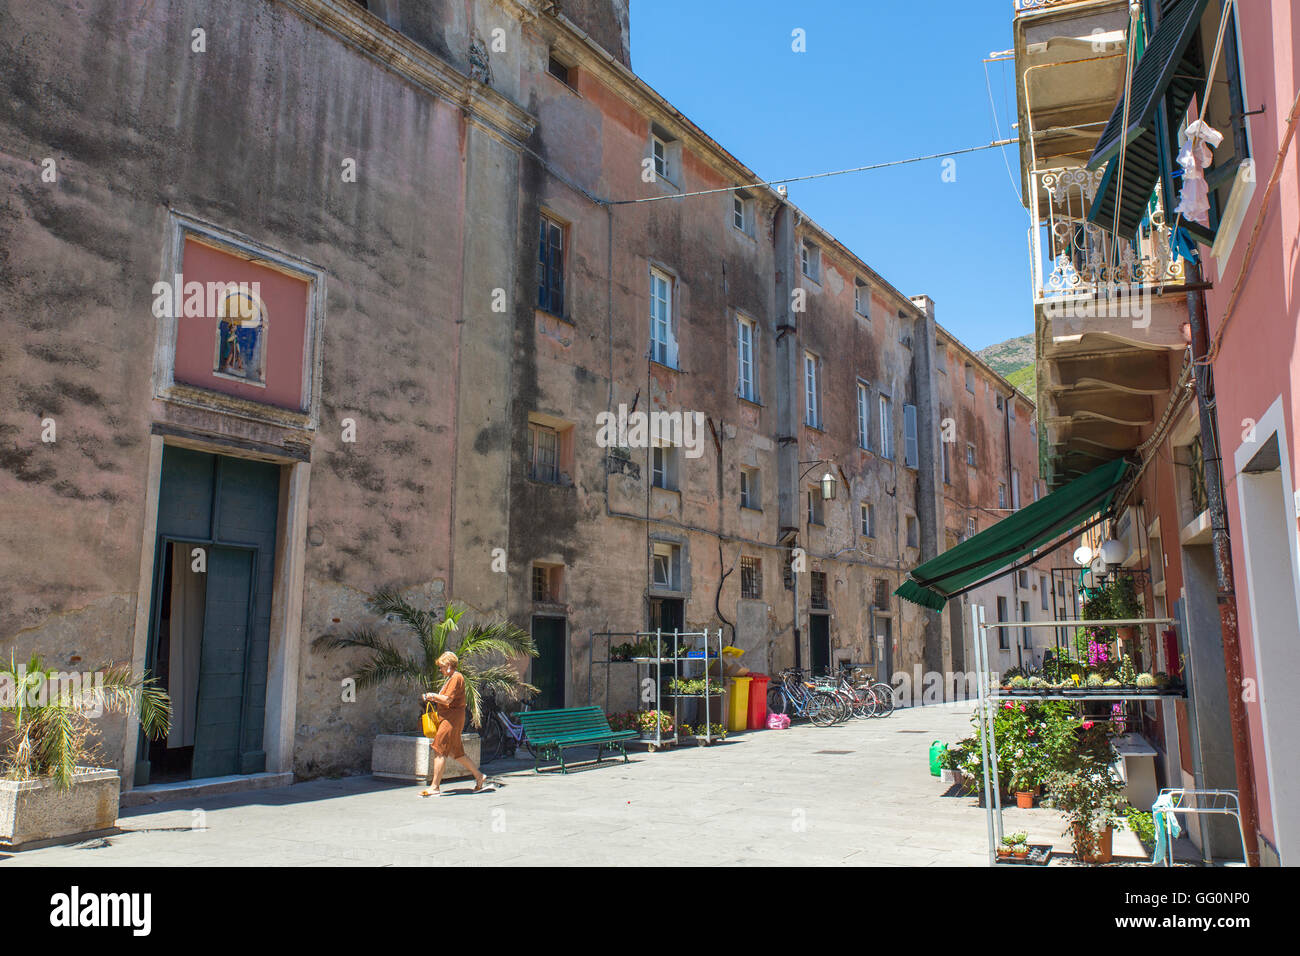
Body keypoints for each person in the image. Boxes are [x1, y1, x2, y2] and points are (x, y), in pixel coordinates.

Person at [420, 651, 492, 795]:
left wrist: (431, 696)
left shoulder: (456, 678)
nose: (440, 670)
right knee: (457, 753)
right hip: (451, 718)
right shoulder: (453, 678)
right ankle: (479, 776)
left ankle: (435, 787)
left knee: (439, 748)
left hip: (451, 719)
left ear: (448, 665)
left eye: (441, 666)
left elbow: (447, 700)